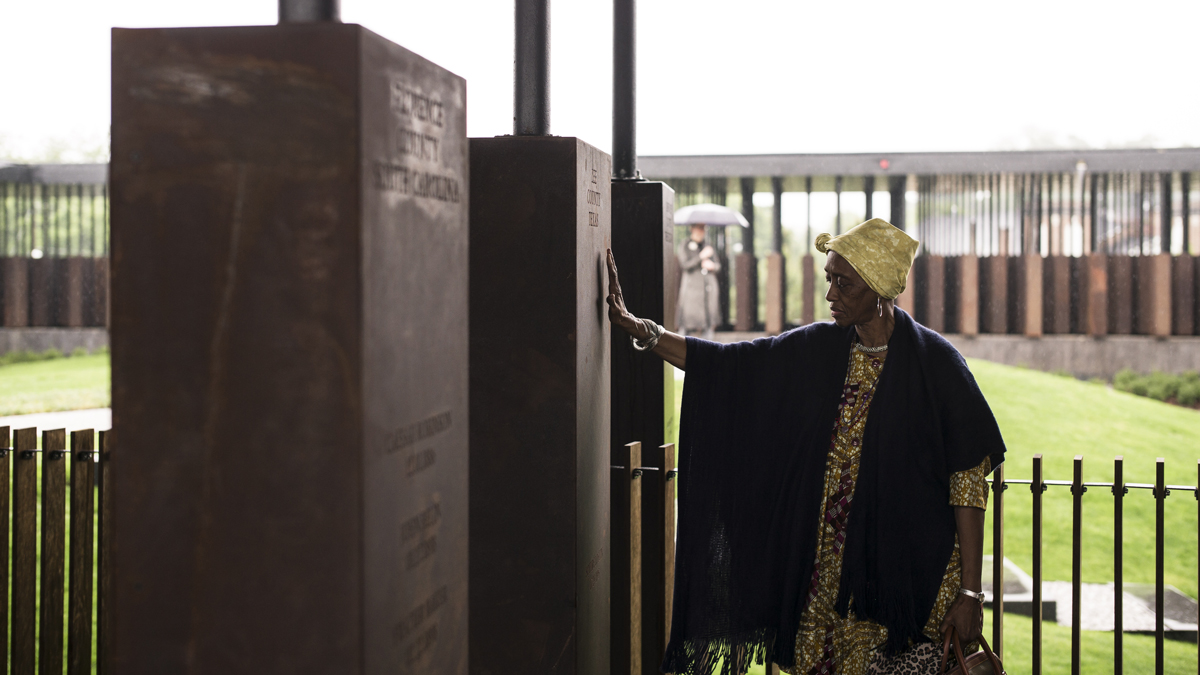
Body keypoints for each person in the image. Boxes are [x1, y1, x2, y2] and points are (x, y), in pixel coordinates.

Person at [606, 218, 1006, 675]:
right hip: (823, 588)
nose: (831, 294)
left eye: (844, 283)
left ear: (878, 290)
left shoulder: (936, 367)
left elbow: (969, 479)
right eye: (829, 280)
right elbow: (731, 366)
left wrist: (970, 593)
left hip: (906, 589)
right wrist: (643, 330)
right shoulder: (819, 349)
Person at [677, 223, 722, 340]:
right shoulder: (685, 244)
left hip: (708, 286)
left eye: (703, 228)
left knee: (709, 316)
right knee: (688, 317)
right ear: (692, 229)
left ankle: (707, 341)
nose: (701, 231)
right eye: (698, 228)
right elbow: (685, 264)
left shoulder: (708, 245)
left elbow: (717, 265)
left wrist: (712, 266)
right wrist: (701, 257)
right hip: (692, 287)